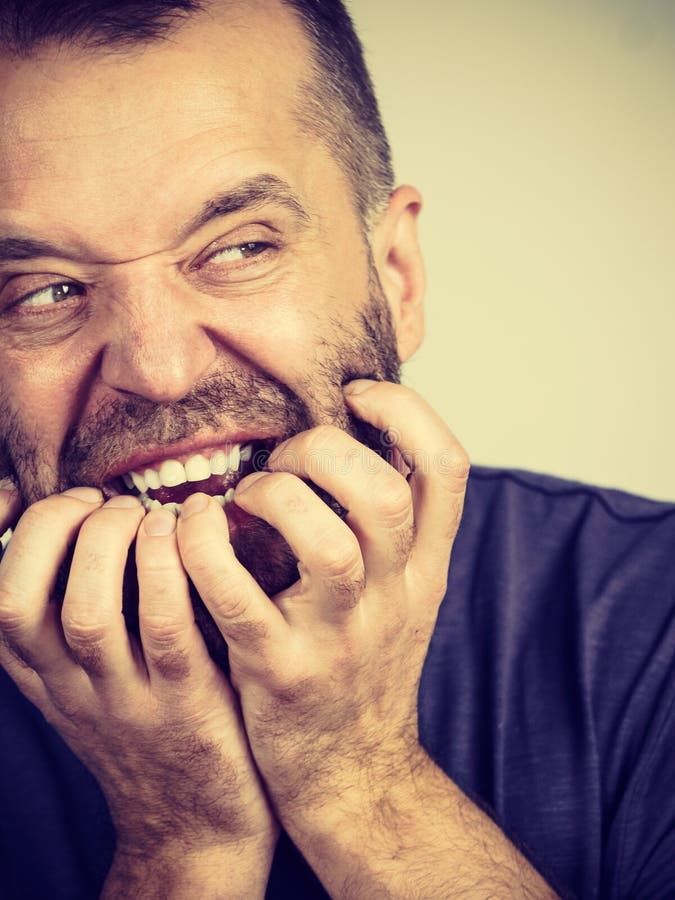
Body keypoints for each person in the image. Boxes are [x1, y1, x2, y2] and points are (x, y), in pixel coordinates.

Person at [0, 1, 674, 897]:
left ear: (395, 276)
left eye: (239, 247)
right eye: (43, 293)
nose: (158, 370)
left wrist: (359, 781)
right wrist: (182, 845)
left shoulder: (650, 620)